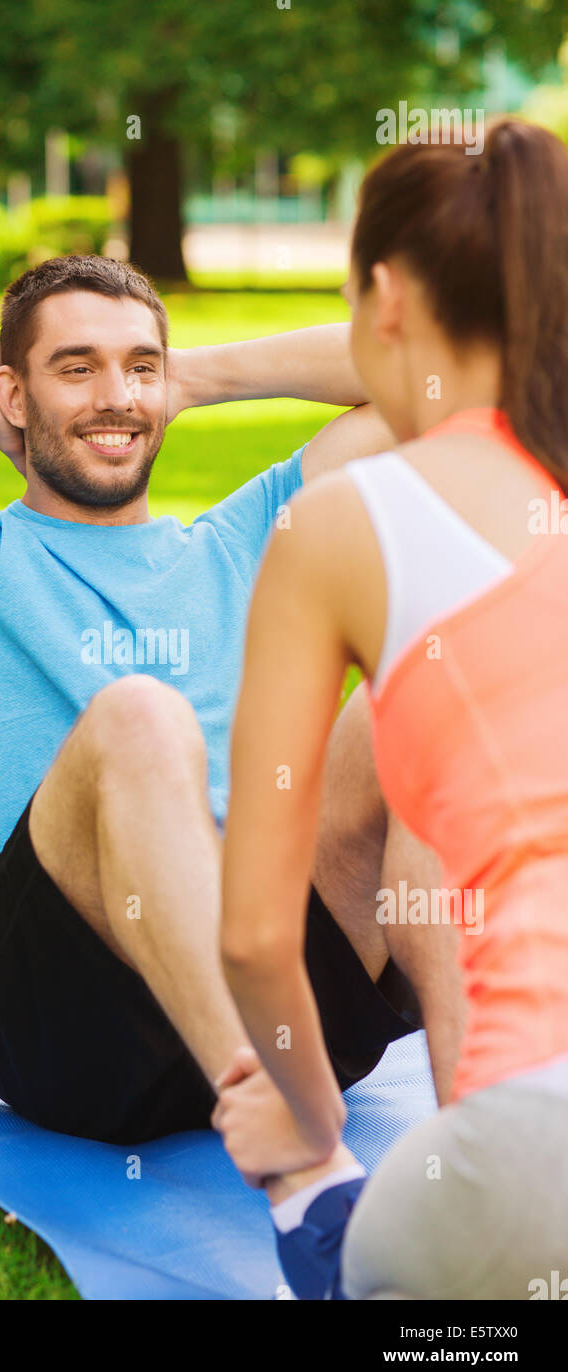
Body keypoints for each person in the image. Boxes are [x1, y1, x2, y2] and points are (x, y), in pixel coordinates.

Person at [0, 256, 452, 1148]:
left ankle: (484, 1130)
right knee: (138, 715)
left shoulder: (250, 540)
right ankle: (275, 1131)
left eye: (138, 366)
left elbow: (440, 372)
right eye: (76, 368)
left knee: (432, 678)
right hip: (72, 1030)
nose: (116, 397)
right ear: (14, 393)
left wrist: (194, 377)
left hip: (283, 991)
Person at [214, 118, 568, 1299]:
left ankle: (314, 1198)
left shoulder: (341, 524)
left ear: (380, 295)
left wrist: (307, 1134)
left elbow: (257, 939)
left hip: (533, 1152)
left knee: (337, 1219)